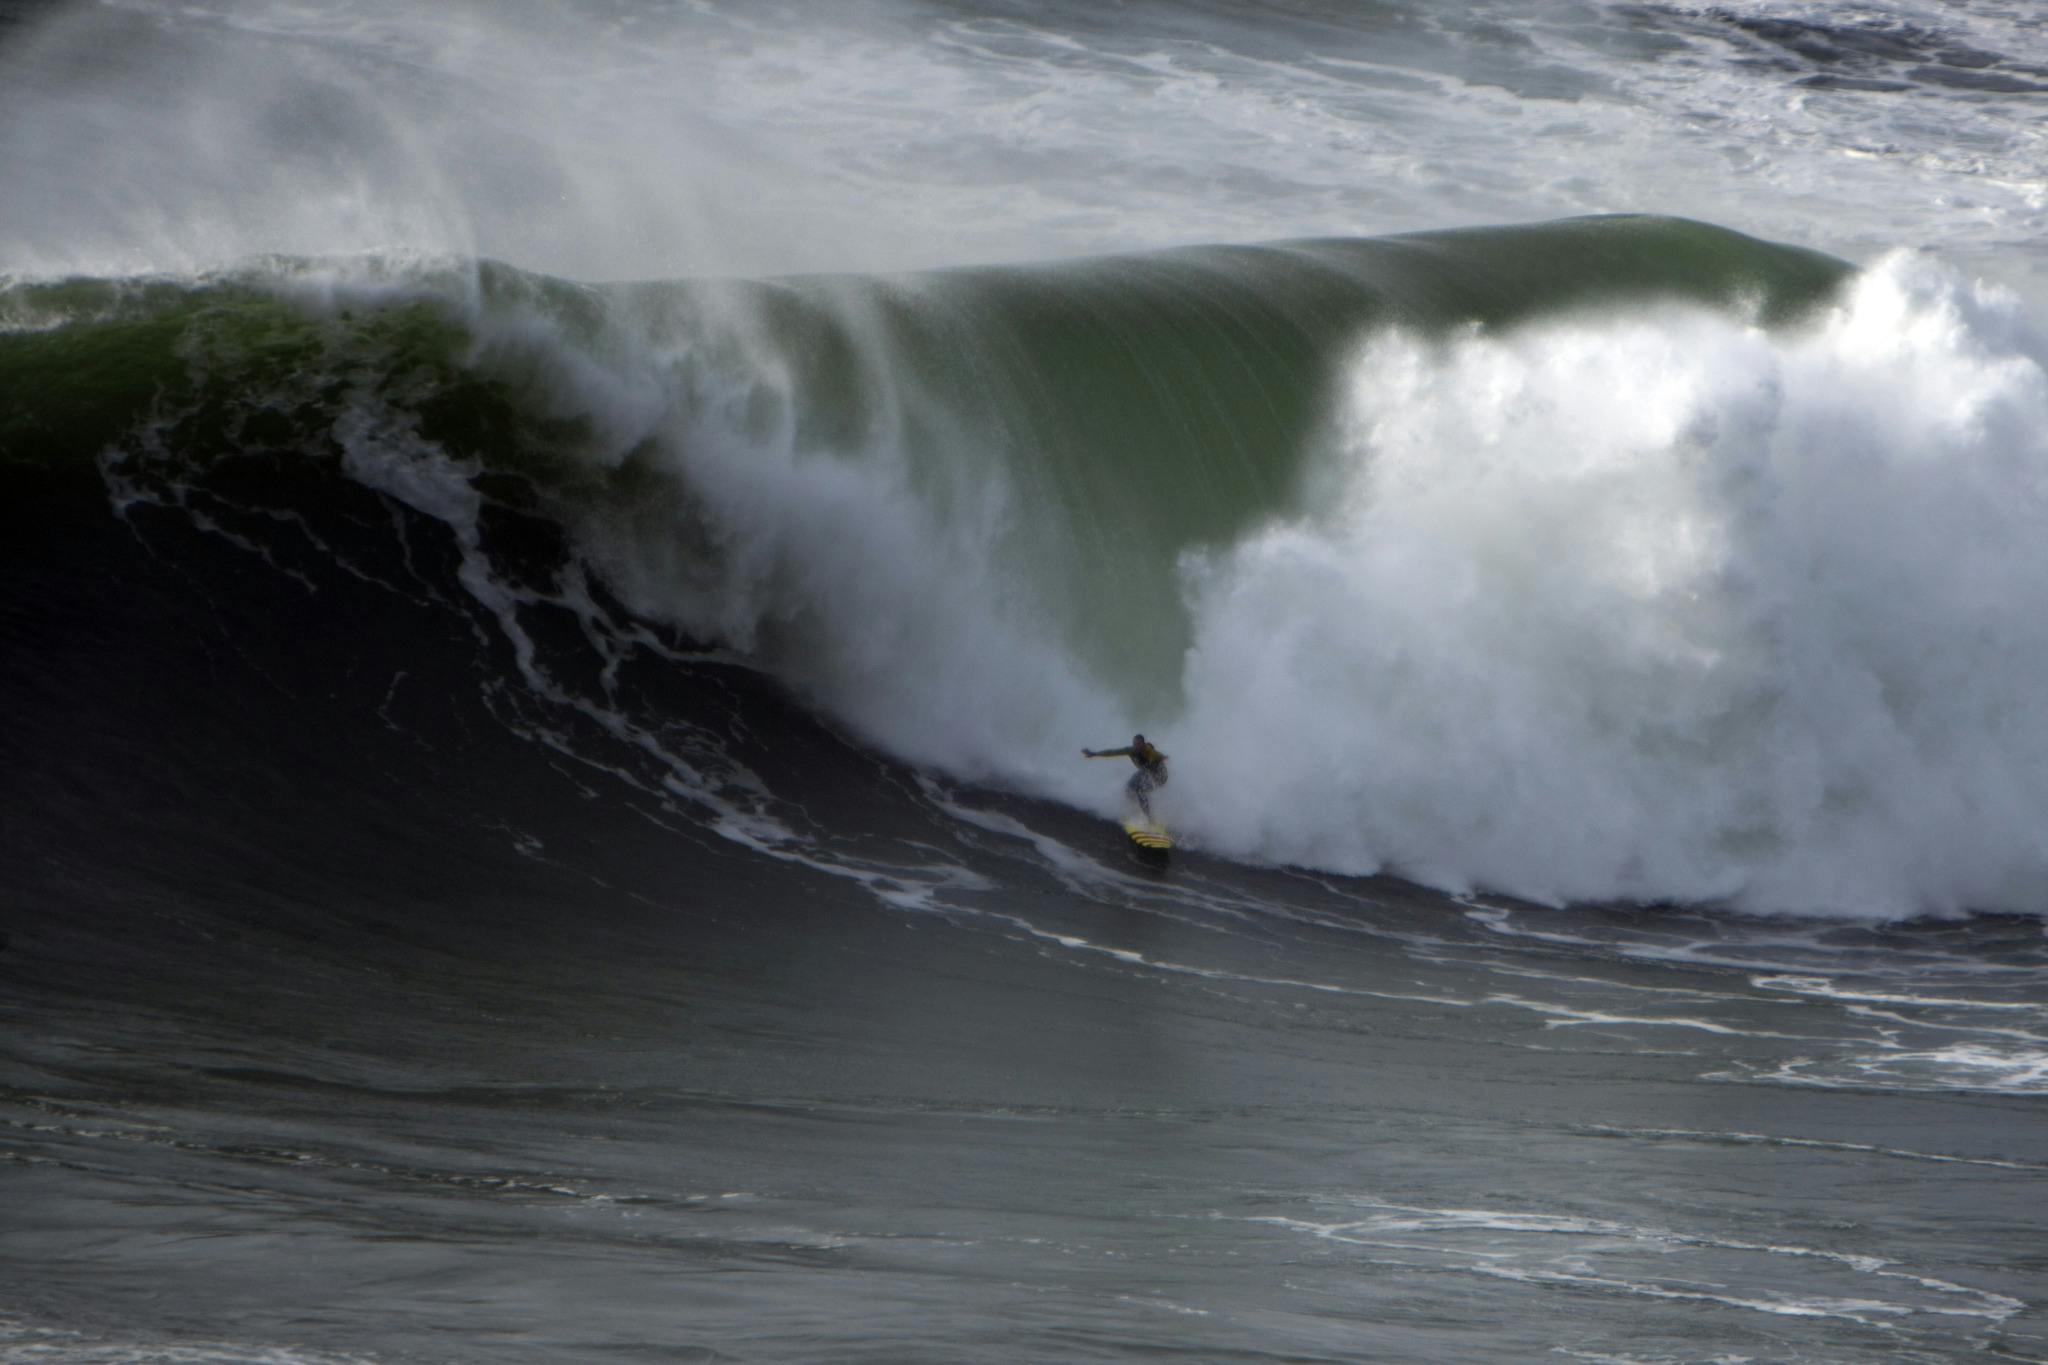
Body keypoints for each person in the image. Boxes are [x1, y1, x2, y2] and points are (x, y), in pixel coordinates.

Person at [1083, 733, 1169, 820]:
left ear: (1143, 744)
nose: (1136, 747)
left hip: (1160, 777)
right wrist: (1094, 754)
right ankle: (1136, 809)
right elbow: (1112, 752)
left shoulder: (1150, 752)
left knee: (1140, 790)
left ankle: (1149, 818)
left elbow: (1158, 755)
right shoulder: (1130, 750)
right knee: (1129, 788)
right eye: (1134, 744)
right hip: (1146, 773)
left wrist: (1163, 757)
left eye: (1138, 744)